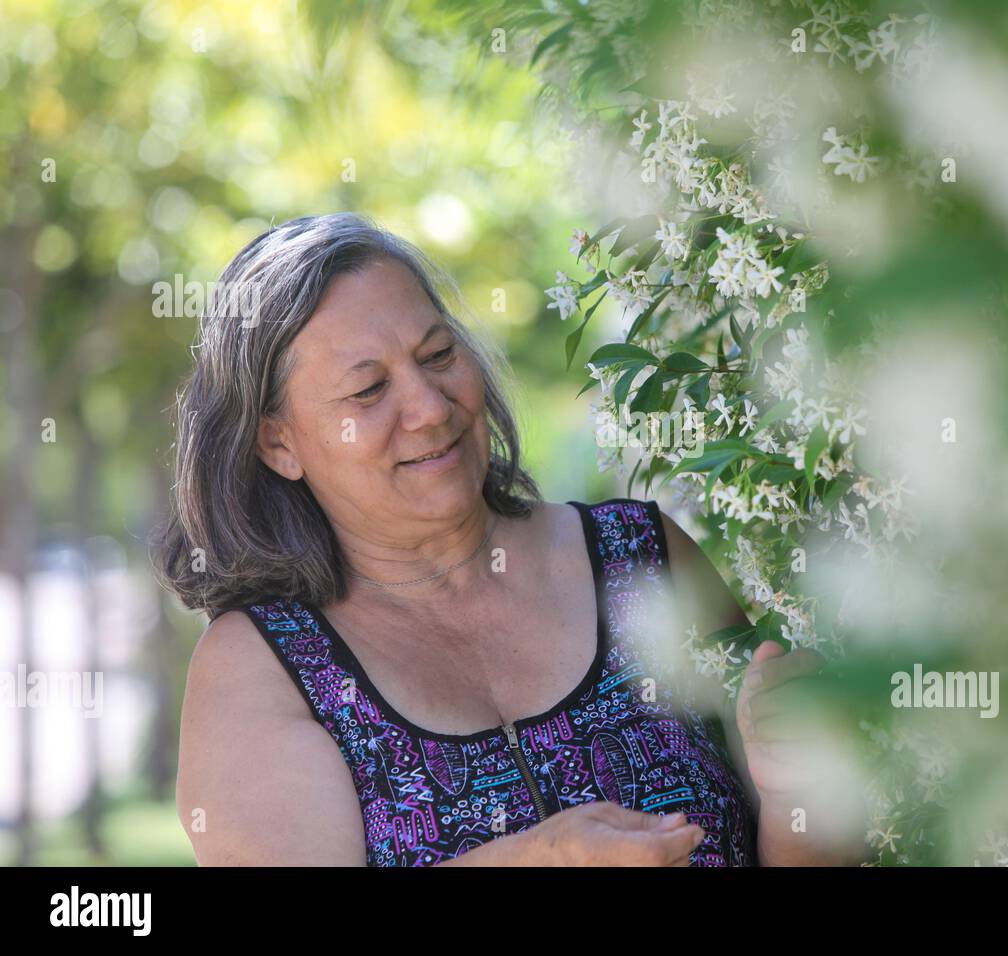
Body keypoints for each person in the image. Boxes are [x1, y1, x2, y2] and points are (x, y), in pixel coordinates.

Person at [157, 212, 845, 866]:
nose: (430, 407)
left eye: (438, 354)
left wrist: (796, 800)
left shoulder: (642, 556)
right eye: (368, 391)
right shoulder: (265, 668)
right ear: (279, 442)